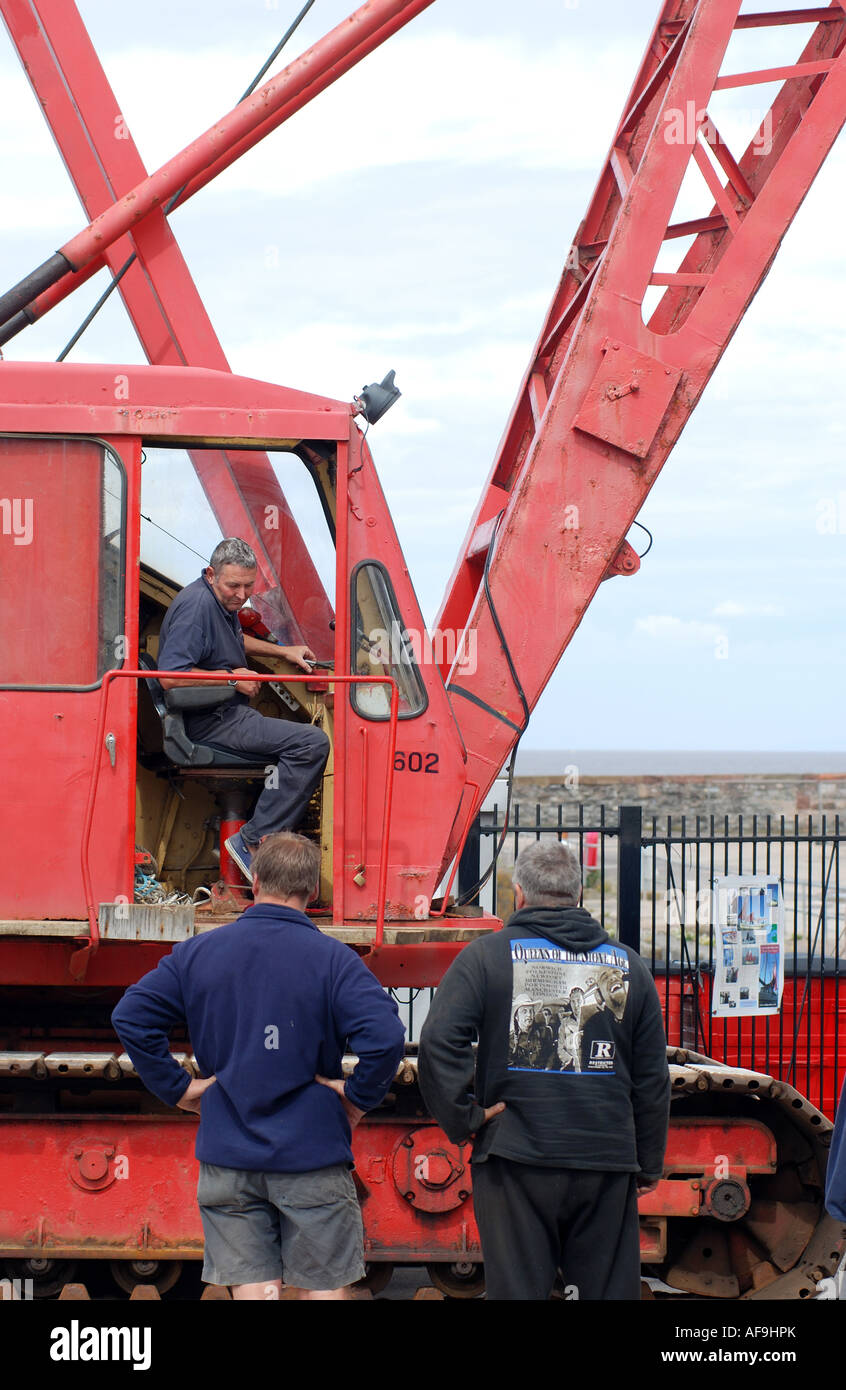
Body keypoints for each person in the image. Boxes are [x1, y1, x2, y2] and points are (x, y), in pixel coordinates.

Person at [111, 831, 406, 1300]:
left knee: (255, 1287)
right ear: (311, 891)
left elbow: (131, 1016)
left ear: (256, 880)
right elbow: (386, 1036)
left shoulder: (196, 953)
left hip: (228, 1152)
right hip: (312, 1152)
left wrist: (177, 1088)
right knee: (326, 1286)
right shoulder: (335, 960)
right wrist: (359, 1098)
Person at [418, 839, 670, 1301]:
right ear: (578, 896)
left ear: (518, 894)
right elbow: (653, 1076)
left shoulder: (486, 957)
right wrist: (648, 1161)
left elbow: (439, 1040)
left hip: (515, 1158)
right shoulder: (629, 966)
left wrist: (466, 1119)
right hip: (605, 1159)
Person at [155, 537, 330, 881]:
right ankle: (251, 841)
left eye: (249, 586)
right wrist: (231, 680)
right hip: (213, 722)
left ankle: (256, 836)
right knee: (311, 743)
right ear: (210, 574)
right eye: (233, 585)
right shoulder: (196, 609)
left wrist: (284, 652)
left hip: (228, 714)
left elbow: (235, 640)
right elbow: (170, 678)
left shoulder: (220, 603)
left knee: (302, 740)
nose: (241, 594)